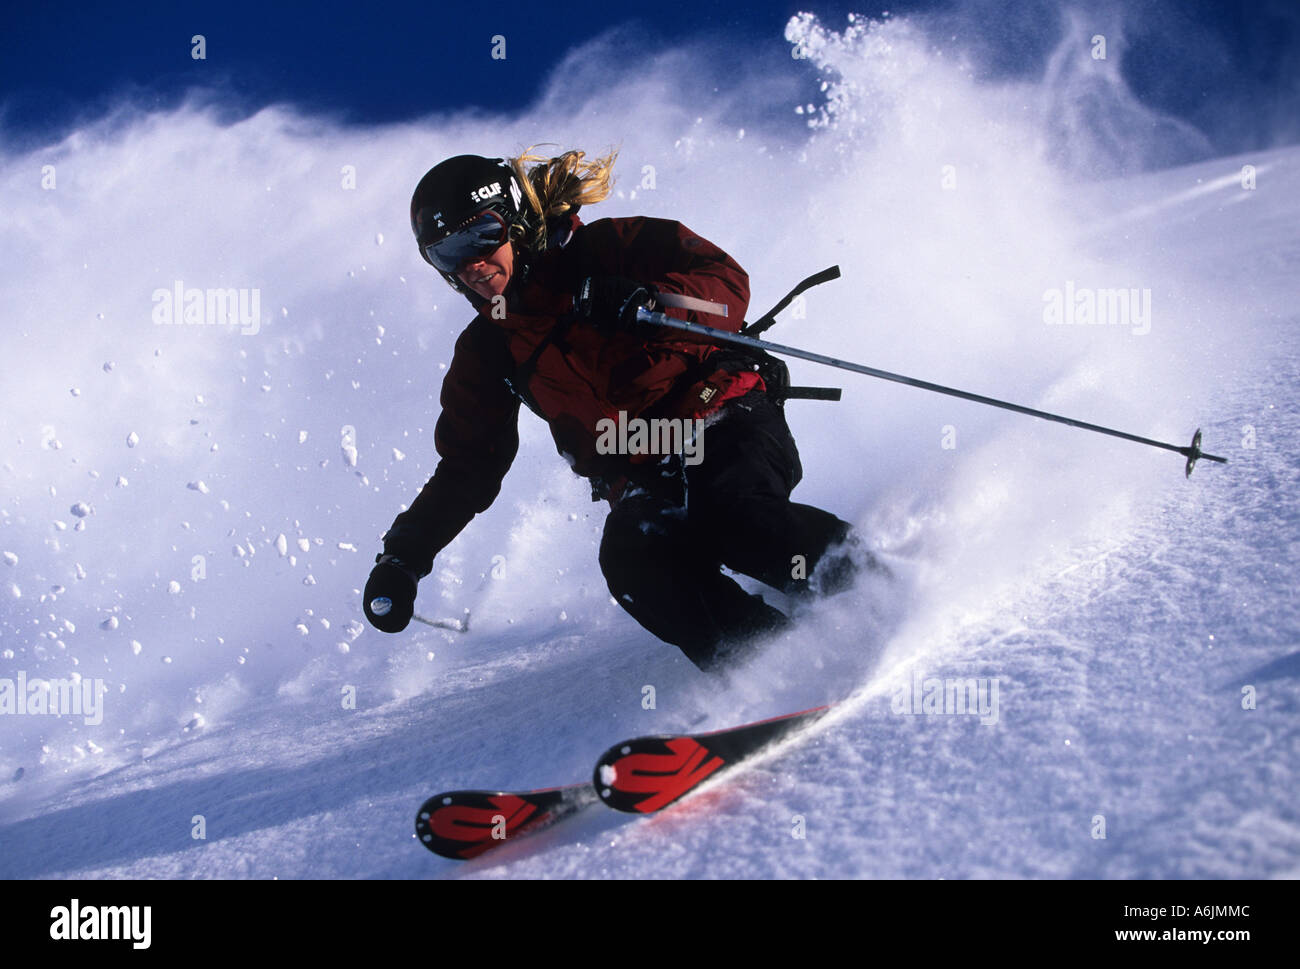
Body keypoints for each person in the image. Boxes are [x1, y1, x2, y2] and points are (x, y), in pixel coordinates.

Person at [364, 149, 865, 670]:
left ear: (514, 222)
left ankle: (870, 587)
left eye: (479, 238)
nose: (469, 264)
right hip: (638, 467)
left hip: (721, 413)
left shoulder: (607, 250)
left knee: (734, 516)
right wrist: (404, 556)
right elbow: (469, 465)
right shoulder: (488, 349)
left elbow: (725, 290)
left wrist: (651, 303)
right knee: (634, 562)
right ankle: (776, 668)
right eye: (445, 254)